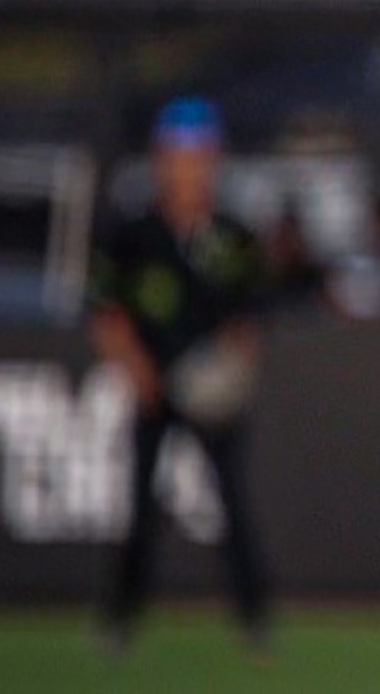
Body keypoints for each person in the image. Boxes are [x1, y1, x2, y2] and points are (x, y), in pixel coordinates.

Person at [88, 96, 270, 653]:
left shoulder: (232, 235)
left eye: (200, 157)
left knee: (232, 502)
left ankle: (254, 621)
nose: (190, 169)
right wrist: (137, 370)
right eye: (179, 157)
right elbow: (107, 310)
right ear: (161, 161)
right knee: (140, 504)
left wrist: (233, 368)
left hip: (207, 388)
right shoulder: (134, 233)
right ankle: (121, 619)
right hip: (153, 387)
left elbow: (248, 320)